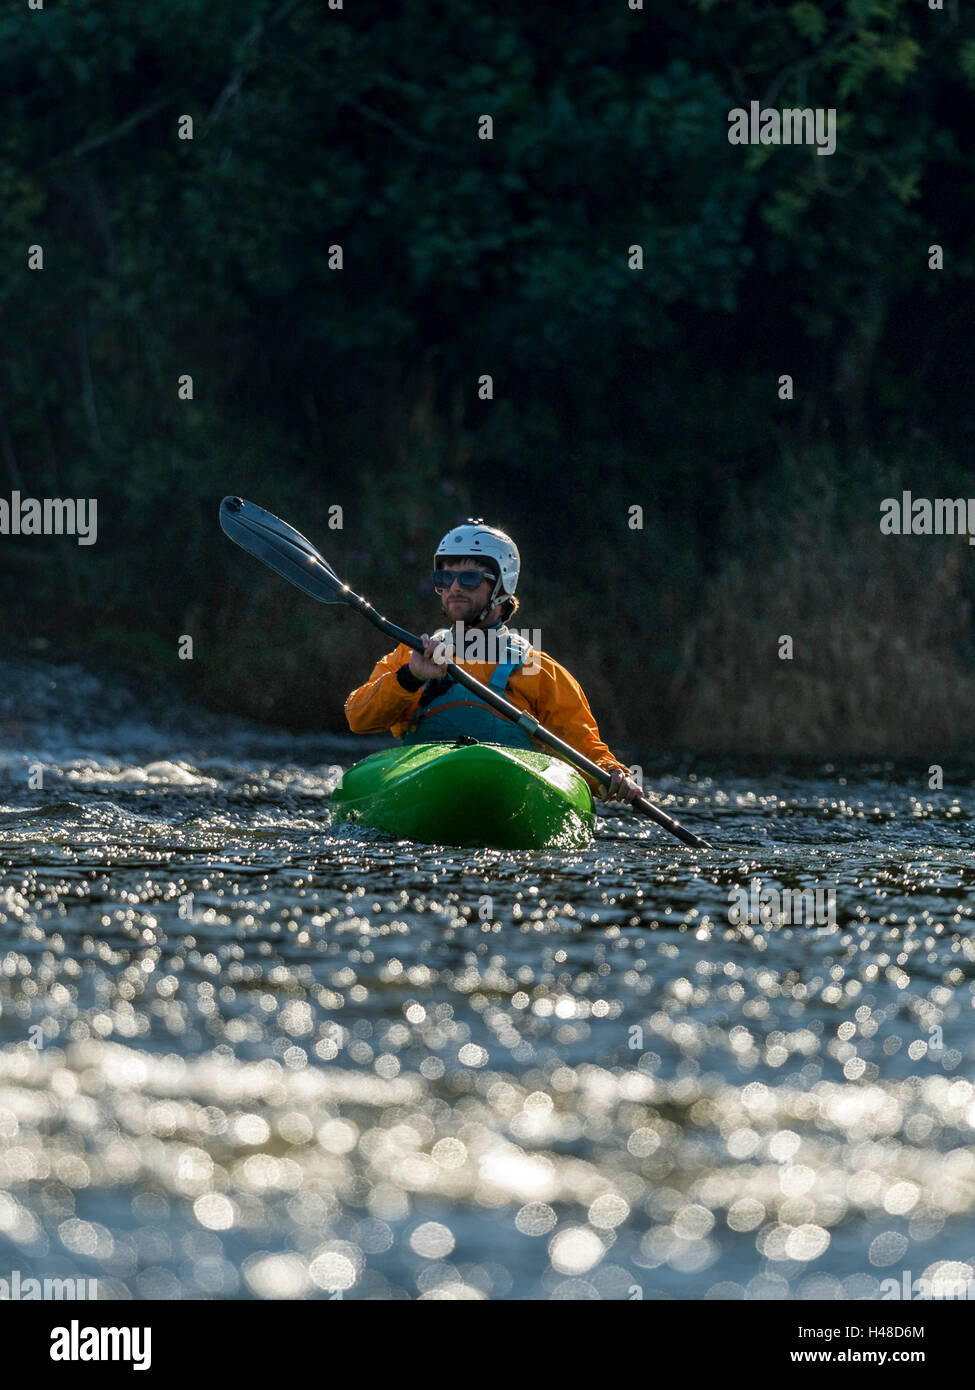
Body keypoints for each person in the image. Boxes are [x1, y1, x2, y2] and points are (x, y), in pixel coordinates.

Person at [344, 519, 642, 803]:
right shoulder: (411, 655)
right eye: (444, 578)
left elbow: (580, 741)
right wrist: (410, 677)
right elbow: (358, 717)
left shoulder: (538, 668)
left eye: (469, 578)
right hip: (424, 788)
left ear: (501, 587)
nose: (454, 587)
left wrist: (612, 773)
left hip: (510, 794)